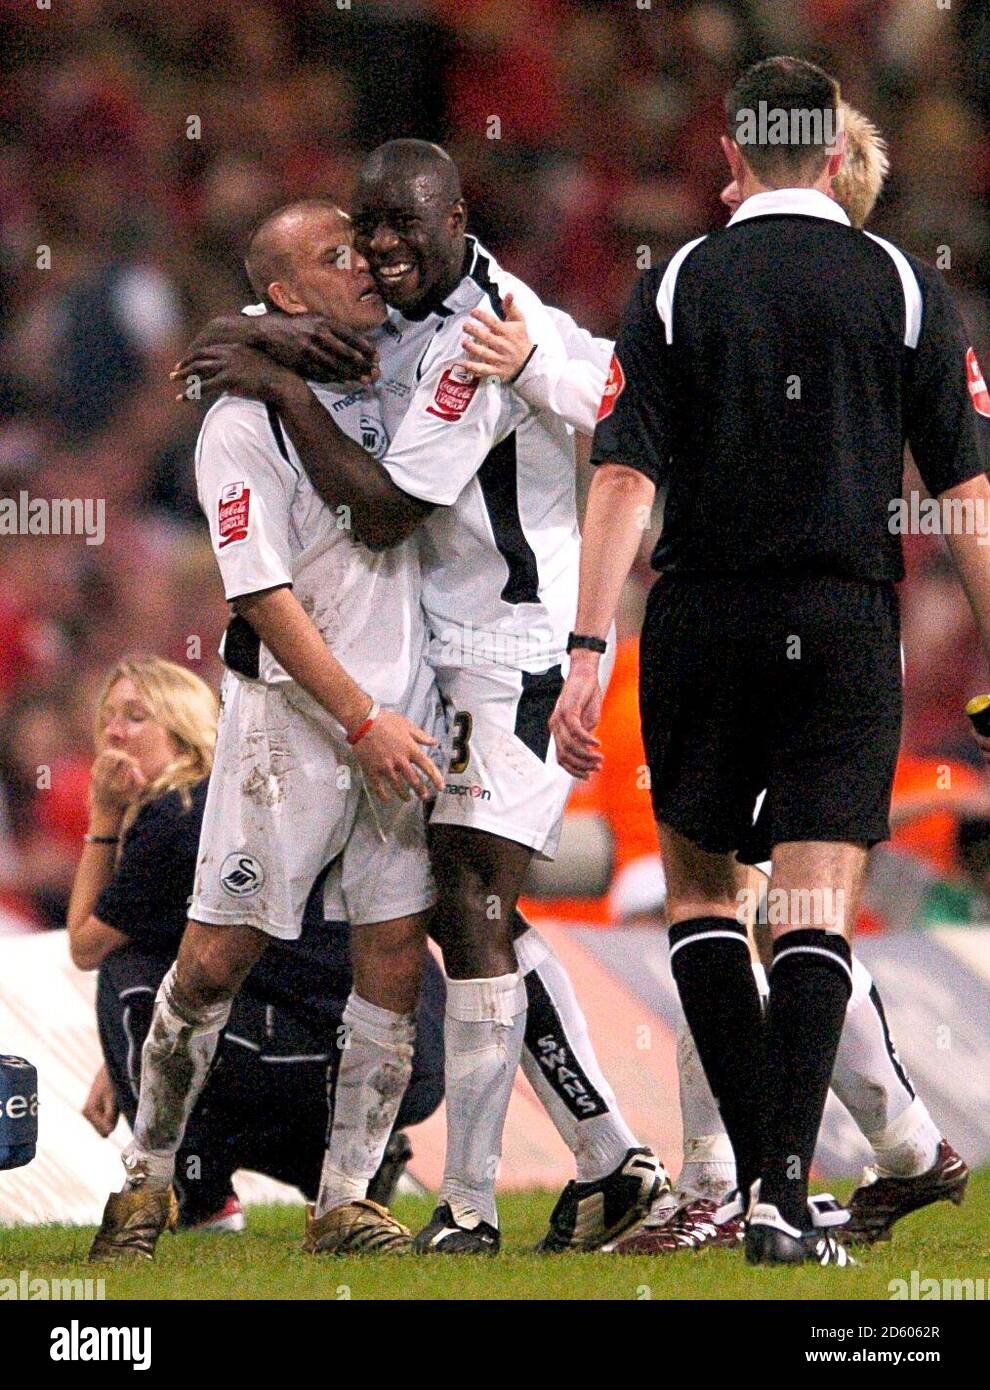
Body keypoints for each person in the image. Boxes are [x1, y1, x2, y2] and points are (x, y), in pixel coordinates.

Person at [458, 102, 970, 1256]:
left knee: (707, 901)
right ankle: (798, 1183)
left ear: (745, 159)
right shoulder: (893, 285)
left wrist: (587, 644)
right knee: (803, 911)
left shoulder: (687, 280)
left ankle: (757, 1182)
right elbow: (965, 489)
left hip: (700, 620)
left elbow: (631, 458)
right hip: (841, 620)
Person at [175, 141, 665, 1254]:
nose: (383, 250)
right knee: (465, 911)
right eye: (367, 231)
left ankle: (474, 1207)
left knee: (477, 902)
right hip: (436, 655)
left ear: (457, 214)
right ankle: (611, 1163)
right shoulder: (395, 313)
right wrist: (259, 338)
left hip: (510, 649)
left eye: (403, 228)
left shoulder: (482, 331)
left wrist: (282, 379)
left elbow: (389, 510)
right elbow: (215, 348)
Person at [89, 204, 449, 1262]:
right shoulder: (239, 421)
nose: (369, 264)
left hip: (404, 719)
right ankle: (145, 1184)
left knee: (389, 955)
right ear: (284, 296)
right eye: (337, 256)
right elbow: (263, 596)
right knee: (212, 958)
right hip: (291, 725)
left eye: (365, 245)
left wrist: (393, 715)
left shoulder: (396, 374)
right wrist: (361, 716)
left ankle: (343, 1201)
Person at [70, 656, 444, 1235]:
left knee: (127, 974)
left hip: (333, 1042)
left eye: (137, 716)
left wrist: (104, 812)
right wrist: (125, 1059)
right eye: (107, 717)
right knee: (178, 1023)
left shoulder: (181, 812)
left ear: (185, 727)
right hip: (406, 1052)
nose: (115, 733)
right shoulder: (246, 801)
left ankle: (198, 1197)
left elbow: (86, 944)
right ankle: (336, 1167)